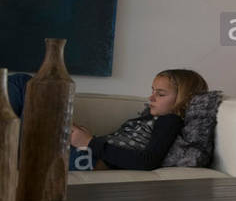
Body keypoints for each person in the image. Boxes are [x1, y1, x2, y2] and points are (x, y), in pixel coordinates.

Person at [65, 69, 207, 171]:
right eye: (153, 91)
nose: (151, 98)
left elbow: (147, 161)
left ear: (184, 99)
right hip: (91, 152)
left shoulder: (169, 121)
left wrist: (89, 142)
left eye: (161, 94)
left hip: (91, 160)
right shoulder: (152, 118)